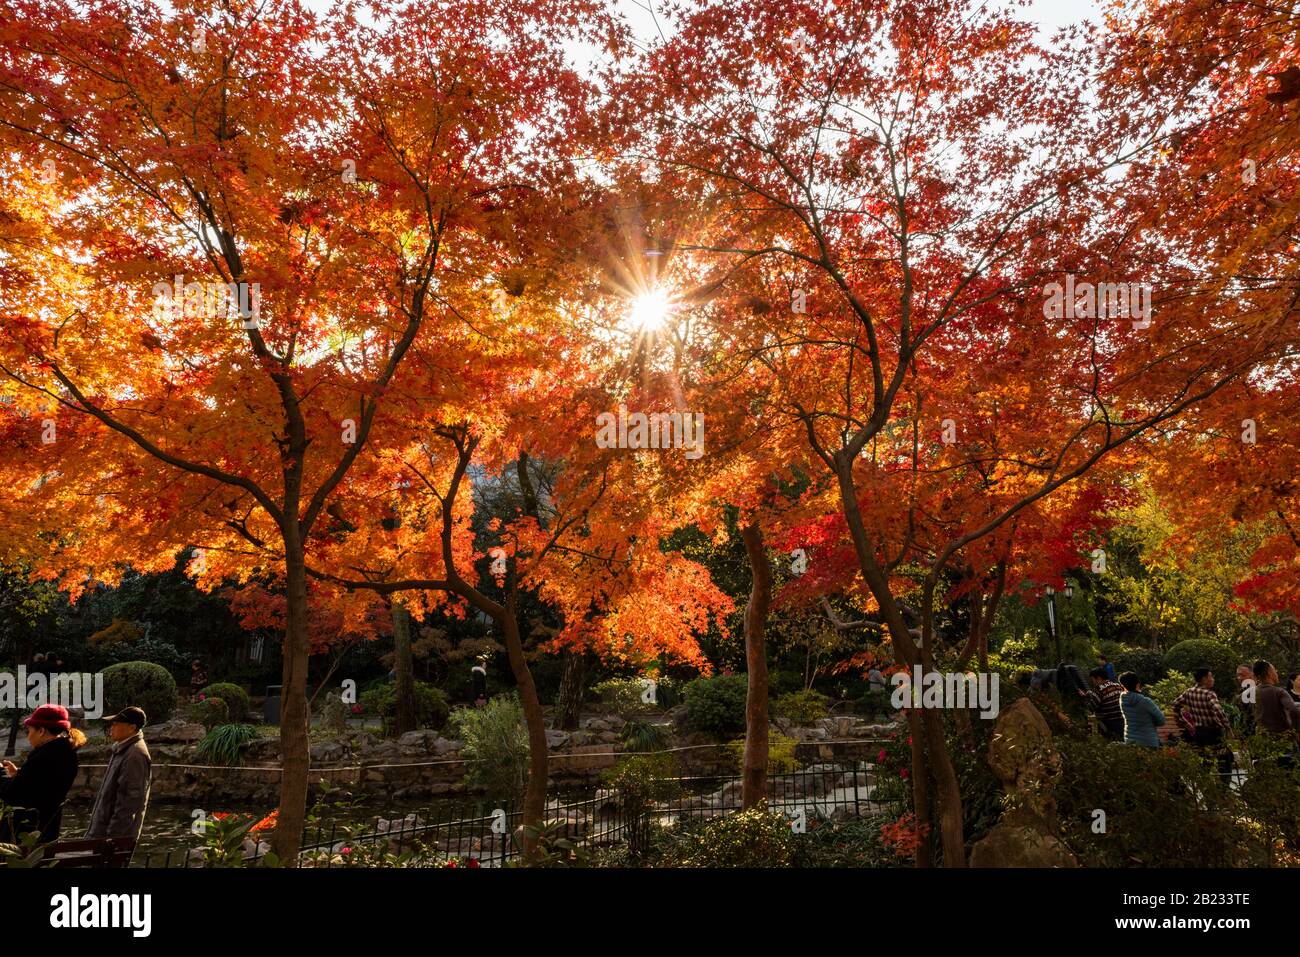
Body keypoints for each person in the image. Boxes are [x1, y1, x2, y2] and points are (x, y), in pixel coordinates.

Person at [0, 704, 85, 844]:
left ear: (41, 731)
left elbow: (12, 794)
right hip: (48, 831)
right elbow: (40, 786)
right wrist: (18, 775)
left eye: (29, 730)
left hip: (26, 836)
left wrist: (1, 773)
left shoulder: (43, 757)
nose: (28, 736)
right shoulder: (67, 754)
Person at [86, 707, 152, 844]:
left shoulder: (135, 754)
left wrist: (113, 838)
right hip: (102, 834)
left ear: (132, 727)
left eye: (116, 724)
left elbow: (129, 802)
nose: (112, 727)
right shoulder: (123, 748)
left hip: (112, 839)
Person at [1172, 669, 1233, 781]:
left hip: (1199, 732)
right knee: (1224, 759)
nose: (1213, 679)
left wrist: (1185, 723)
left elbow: (1175, 705)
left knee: (1205, 761)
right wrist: (1228, 728)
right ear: (1204, 679)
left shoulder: (1188, 692)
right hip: (1213, 732)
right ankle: (1224, 786)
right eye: (1211, 677)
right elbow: (1219, 711)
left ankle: (1204, 784)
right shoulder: (1209, 694)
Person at [1251, 660, 1300, 746]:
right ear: (1269, 673)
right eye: (1274, 670)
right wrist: (1296, 730)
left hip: (1262, 740)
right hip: (1283, 740)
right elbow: (1293, 710)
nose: (1276, 673)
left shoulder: (1250, 693)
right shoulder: (1279, 692)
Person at [1118, 672, 1165, 748]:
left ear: (1122, 685)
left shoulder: (1123, 700)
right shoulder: (1146, 701)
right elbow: (1162, 721)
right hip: (1148, 742)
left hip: (1130, 741)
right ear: (1138, 684)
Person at [1085, 667, 1125, 739]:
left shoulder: (1098, 690)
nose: (1093, 682)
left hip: (1110, 723)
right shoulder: (1118, 686)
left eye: (1093, 680)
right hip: (1124, 720)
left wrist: (1089, 697)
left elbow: (1091, 707)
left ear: (1099, 678)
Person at [1235, 664, 1257, 736]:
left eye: (1243, 675)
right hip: (1245, 731)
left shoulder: (1259, 690)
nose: (1239, 678)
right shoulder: (1242, 690)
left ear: (1252, 675)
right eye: (1238, 675)